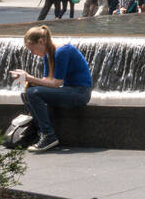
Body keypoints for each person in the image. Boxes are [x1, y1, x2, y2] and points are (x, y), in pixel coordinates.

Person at [10, 24, 93, 153]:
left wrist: (30, 78)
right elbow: (47, 81)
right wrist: (26, 80)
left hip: (80, 92)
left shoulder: (63, 51)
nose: (32, 53)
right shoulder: (48, 55)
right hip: (68, 90)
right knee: (27, 93)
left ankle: (48, 135)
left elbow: (56, 83)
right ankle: (41, 132)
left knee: (33, 93)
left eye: (32, 49)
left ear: (41, 42)